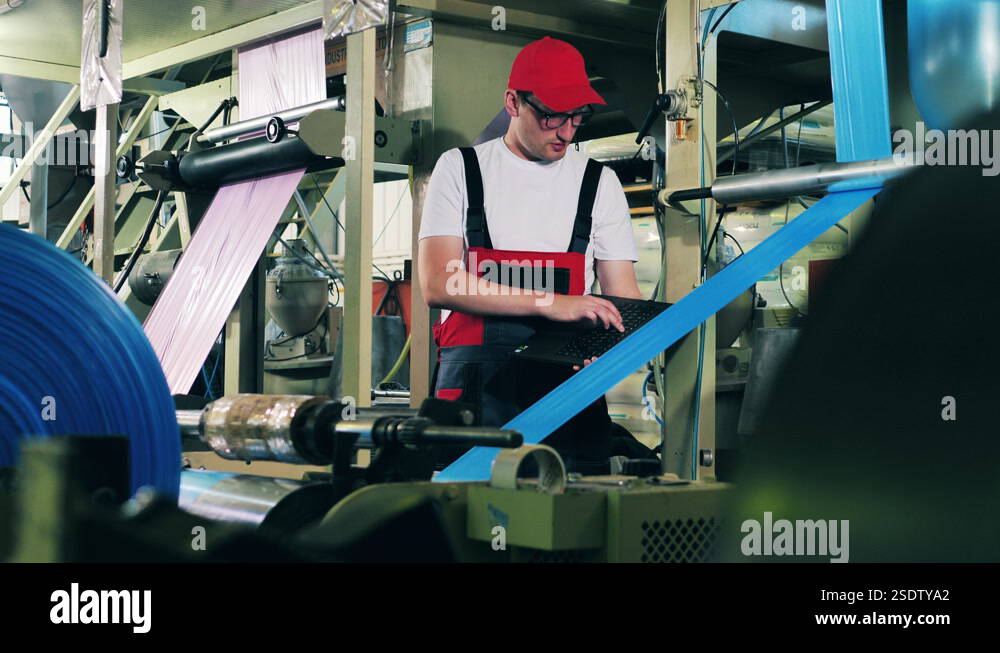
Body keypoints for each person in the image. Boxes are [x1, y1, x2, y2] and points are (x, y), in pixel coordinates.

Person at [418, 37, 644, 473]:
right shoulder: (460, 168)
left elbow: (624, 299)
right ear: (513, 103)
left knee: (575, 509)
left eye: (578, 116)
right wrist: (552, 303)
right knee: (468, 510)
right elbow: (440, 283)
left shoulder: (599, 183)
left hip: (567, 394)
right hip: (474, 397)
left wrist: (607, 350)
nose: (566, 131)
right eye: (552, 116)